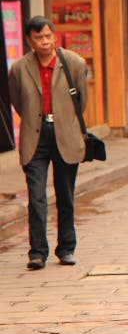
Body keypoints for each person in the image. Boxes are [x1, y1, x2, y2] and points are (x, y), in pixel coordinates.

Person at [8, 16, 88, 270]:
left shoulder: (73, 63)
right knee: (36, 196)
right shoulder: (20, 69)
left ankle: (66, 248)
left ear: (54, 36)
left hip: (65, 133)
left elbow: (81, 102)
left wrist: (63, 121)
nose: (44, 42)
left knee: (65, 195)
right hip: (35, 136)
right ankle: (37, 252)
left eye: (47, 36)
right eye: (38, 38)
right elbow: (17, 101)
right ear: (30, 41)